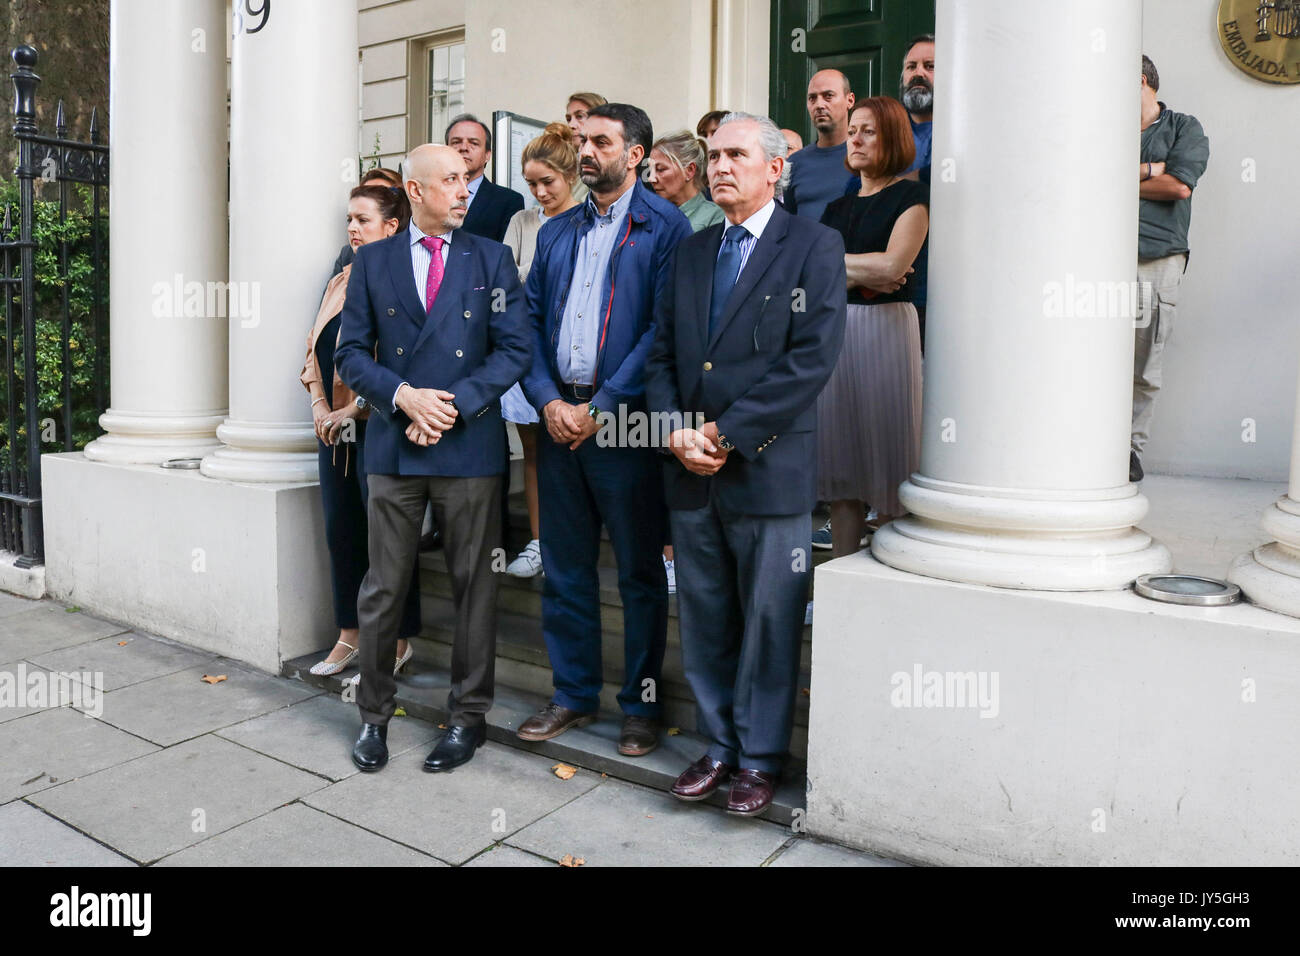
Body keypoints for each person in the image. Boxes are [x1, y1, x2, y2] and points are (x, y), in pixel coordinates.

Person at [645, 111, 846, 818]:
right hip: (689, 472)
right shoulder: (693, 251)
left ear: (773, 168)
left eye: (735, 154)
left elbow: (810, 360)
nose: (720, 165)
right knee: (703, 616)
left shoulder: (814, 245)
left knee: (768, 618)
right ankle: (720, 745)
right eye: (713, 155)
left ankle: (761, 758)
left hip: (765, 468)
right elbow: (664, 354)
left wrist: (724, 435)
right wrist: (674, 430)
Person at [335, 143, 531, 774]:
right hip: (394, 446)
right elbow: (351, 354)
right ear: (415, 192)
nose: (463, 188)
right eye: (448, 180)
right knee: (383, 587)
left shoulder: (492, 258)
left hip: (468, 446)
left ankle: (467, 719)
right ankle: (373, 718)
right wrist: (404, 398)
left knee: (476, 588)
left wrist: (450, 405)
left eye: (464, 177)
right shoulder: (372, 262)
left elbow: (514, 348)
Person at [518, 103, 692, 758]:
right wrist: (545, 401)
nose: (586, 151)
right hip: (560, 419)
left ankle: (642, 706)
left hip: (626, 426)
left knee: (640, 573)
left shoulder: (665, 226)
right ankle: (572, 694)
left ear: (636, 153)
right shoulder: (558, 232)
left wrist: (605, 406)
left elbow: (662, 331)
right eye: (583, 141)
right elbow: (527, 323)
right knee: (564, 567)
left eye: (601, 141)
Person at [302, 185, 422, 679]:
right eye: (349, 219)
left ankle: (396, 641)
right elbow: (314, 348)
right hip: (331, 430)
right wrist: (318, 404)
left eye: (363, 220)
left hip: (379, 427)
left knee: (386, 537)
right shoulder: (342, 278)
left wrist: (354, 410)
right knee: (342, 531)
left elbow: (405, 363)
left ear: (391, 227)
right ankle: (349, 634)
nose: (351, 228)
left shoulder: (403, 283)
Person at [816, 97, 927, 559]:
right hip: (835, 333)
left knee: (889, 462)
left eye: (869, 131)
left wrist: (842, 267)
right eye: (853, 130)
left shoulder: (912, 199)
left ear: (895, 138)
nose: (854, 139)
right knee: (840, 469)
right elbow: (813, 273)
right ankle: (841, 581)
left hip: (887, 333)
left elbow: (894, 268)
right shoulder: (836, 208)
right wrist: (867, 268)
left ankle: (888, 584)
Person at [499, 123, 582, 578]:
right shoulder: (522, 221)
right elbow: (504, 281)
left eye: (546, 182)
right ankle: (539, 541)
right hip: (527, 348)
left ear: (570, 174)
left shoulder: (587, 218)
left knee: (572, 452)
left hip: (571, 353)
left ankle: (571, 543)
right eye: (531, 183)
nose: (538, 191)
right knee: (532, 452)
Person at [1131, 54, 1209, 482]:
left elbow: (1179, 186)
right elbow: (1079, 181)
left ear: (1140, 80)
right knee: (1088, 357)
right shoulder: (1102, 128)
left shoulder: (1184, 128)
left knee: (1144, 363)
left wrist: (1115, 177)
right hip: (1096, 263)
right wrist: (1147, 171)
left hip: (1156, 261)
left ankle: (1128, 450)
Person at [783, 69, 855, 223]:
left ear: (849, 100)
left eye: (828, 96)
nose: (819, 104)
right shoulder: (794, 164)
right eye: (812, 98)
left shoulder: (866, 157)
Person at [899, 34, 934, 349]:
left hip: (944, 293)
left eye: (930, 66)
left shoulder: (964, 128)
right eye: (911, 66)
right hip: (887, 295)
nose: (918, 73)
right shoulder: (885, 130)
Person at [445, 113, 526, 242]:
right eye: (456, 142)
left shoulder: (508, 201)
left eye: (474, 143)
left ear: (487, 155)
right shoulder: (429, 195)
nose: (464, 148)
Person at [328, 168, 404, 277]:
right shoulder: (347, 255)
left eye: (381, 194)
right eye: (366, 193)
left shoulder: (411, 256)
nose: (351, 228)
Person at [645, 130, 725, 232]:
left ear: (689, 170)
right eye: (650, 170)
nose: (651, 179)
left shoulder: (715, 217)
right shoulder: (649, 215)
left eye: (660, 169)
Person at [564, 92, 606, 204]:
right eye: (568, 119)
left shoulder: (608, 166)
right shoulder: (567, 163)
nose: (571, 125)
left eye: (580, 116)